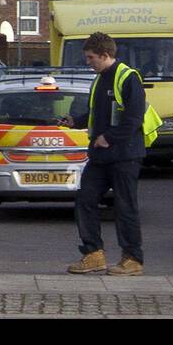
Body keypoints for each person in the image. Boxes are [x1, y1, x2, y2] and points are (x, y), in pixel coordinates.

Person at [65, 32, 146, 276]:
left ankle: (132, 258)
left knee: (125, 206)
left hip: (125, 155)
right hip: (100, 157)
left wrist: (108, 137)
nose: (88, 62)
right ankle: (93, 254)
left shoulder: (128, 78)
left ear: (105, 55)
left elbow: (133, 119)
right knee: (85, 199)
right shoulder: (99, 80)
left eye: (91, 57)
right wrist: (74, 121)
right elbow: (95, 115)